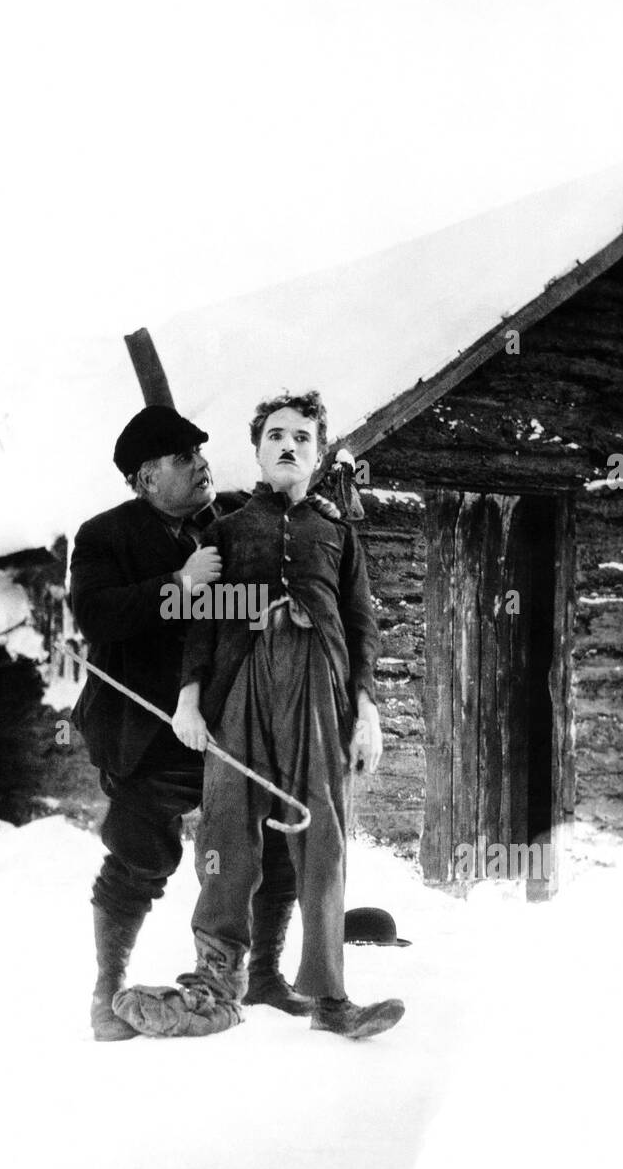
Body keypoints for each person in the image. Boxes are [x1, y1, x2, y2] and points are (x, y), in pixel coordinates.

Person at [112, 391, 406, 1041]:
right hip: (237, 689)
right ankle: (215, 986)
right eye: (275, 435)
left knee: (322, 838)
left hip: (318, 694)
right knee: (224, 836)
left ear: (319, 451)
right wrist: (189, 700)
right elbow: (202, 624)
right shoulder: (226, 530)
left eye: (302, 437)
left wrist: (366, 713)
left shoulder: (336, 534)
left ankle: (329, 997)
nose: (288, 446)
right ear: (256, 449)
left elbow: (362, 631)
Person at [70, 404, 311, 1041]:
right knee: (139, 857)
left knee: (272, 838)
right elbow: (97, 617)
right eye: (183, 460)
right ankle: (106, 992)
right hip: (147, 733)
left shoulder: (231, 517)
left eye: (201, 455)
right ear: (146, 479)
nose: (202, 466)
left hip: (231, 721)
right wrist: (176, 583)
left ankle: (263, 976)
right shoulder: (104, 537)